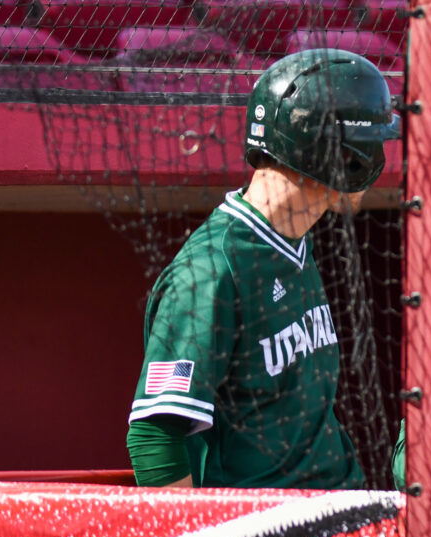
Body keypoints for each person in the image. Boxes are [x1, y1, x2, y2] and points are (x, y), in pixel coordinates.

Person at [126, 49, 399, 488]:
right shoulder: (212, 268)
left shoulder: (293, 240)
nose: (379, 155)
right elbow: (155, 434)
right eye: (372, 140)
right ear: (333, 151)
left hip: (338, 519)